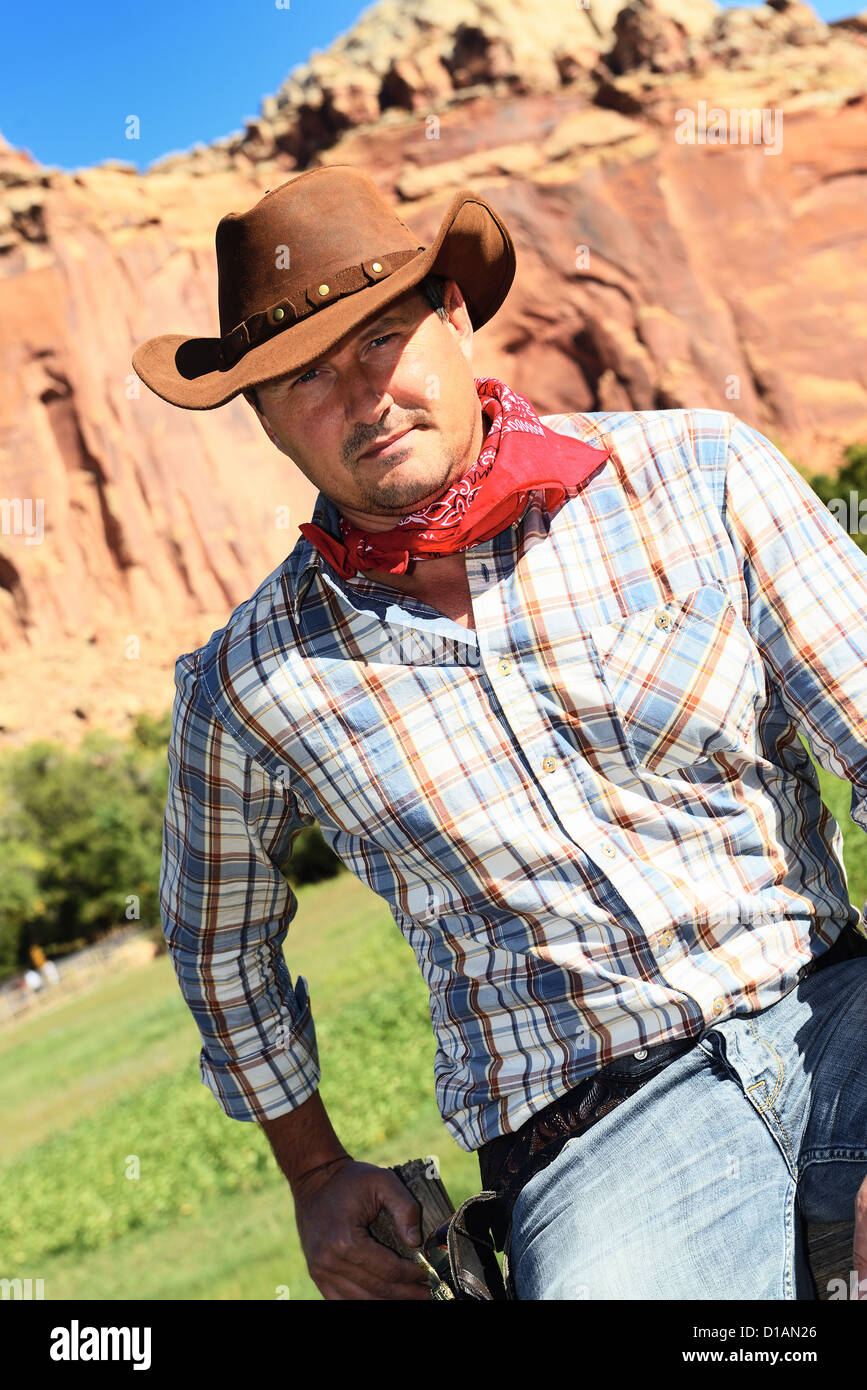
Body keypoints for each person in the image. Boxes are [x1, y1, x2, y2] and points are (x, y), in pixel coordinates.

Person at [132, 165, 867, 1302]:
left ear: (454, 315)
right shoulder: (247, 684)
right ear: (263, 418)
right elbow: (217, 948)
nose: (362, 397)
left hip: (839, 1016)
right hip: (596, 1140)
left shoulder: (699, 477)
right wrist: (314, 1169)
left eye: (381, 338)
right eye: (305, 378)